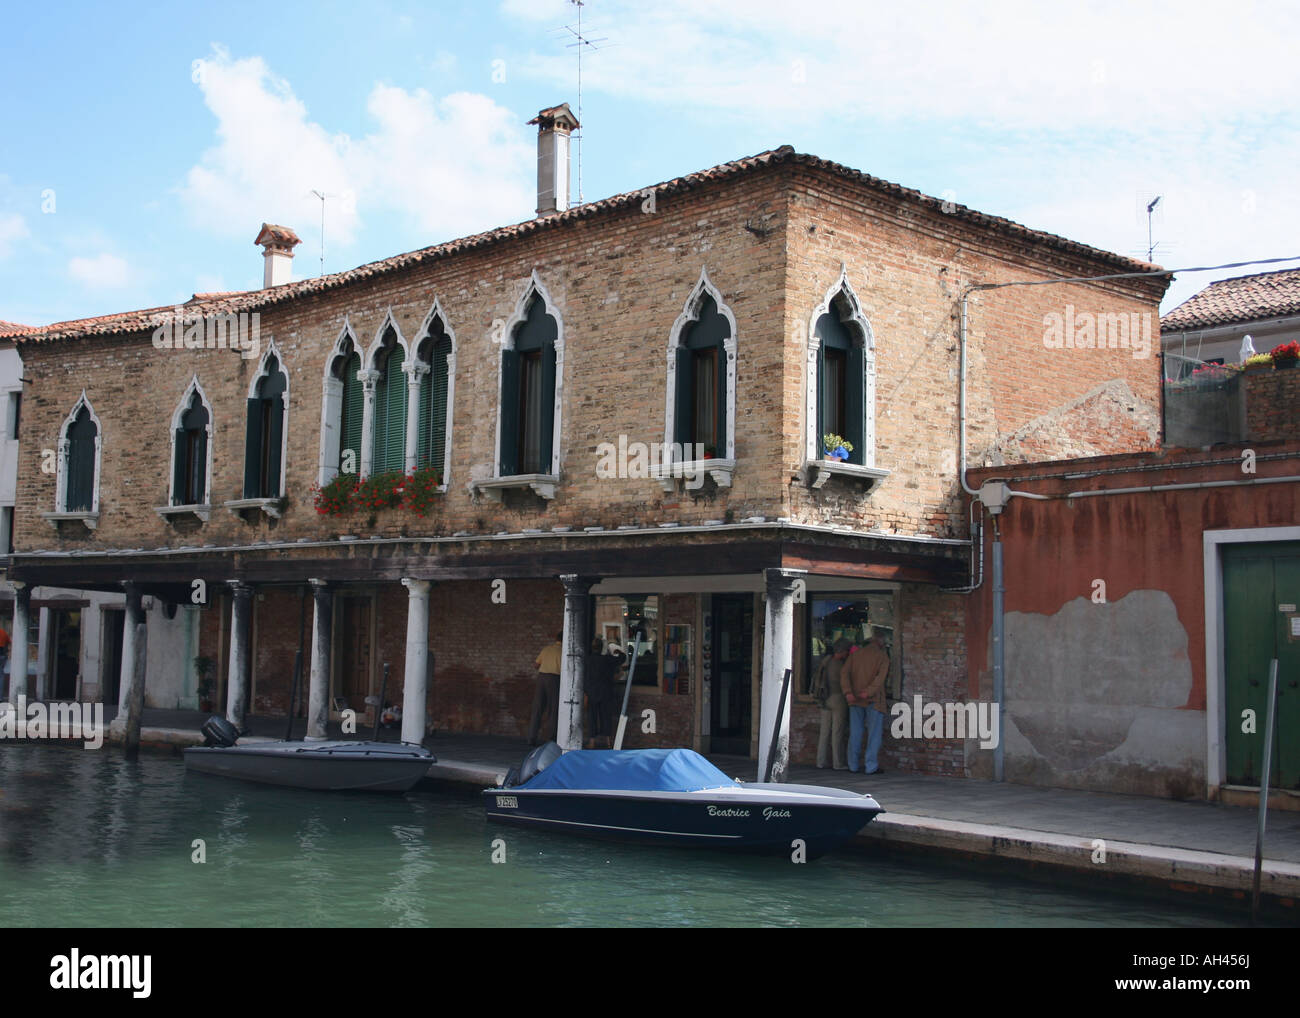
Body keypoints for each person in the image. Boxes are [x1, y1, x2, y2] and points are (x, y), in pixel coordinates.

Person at [842, 626, 890, 774]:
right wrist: (868, 692)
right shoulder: (882, 656)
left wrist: (848, 692)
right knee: (874, 734)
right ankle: (871, 766)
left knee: (855, 733)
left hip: (854, 698)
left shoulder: (855, 655)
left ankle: (853, 765)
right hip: (873, 699)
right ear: (880, 642)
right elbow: (880, 679)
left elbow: (844, 674)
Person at [812, 637, 851, 770]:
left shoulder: (826, 661)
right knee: (837, 732)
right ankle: (838, 763)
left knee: (824, 732)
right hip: (838, 697)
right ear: (843, 651)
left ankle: (820, 761)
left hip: (824, 697)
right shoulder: (840, 665)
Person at [528, 631, 564, 745]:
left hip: (542, 678)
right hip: (555, 679)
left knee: (537, 708)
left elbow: (536, 665)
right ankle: (551, 738)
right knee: (553, 709)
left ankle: (532, 737)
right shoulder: (564, 651)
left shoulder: (546, 649)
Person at [584, 637, 617, 749]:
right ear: (601, 648)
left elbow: (585, 677)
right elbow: (622, 659)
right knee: (606, 717)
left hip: (592, 692)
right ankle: (608, 742)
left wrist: (585, 692)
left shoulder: (588, 660)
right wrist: (618, 651)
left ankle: (592, 742)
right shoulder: (606, 659)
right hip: (605, 692)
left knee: (592, 718)